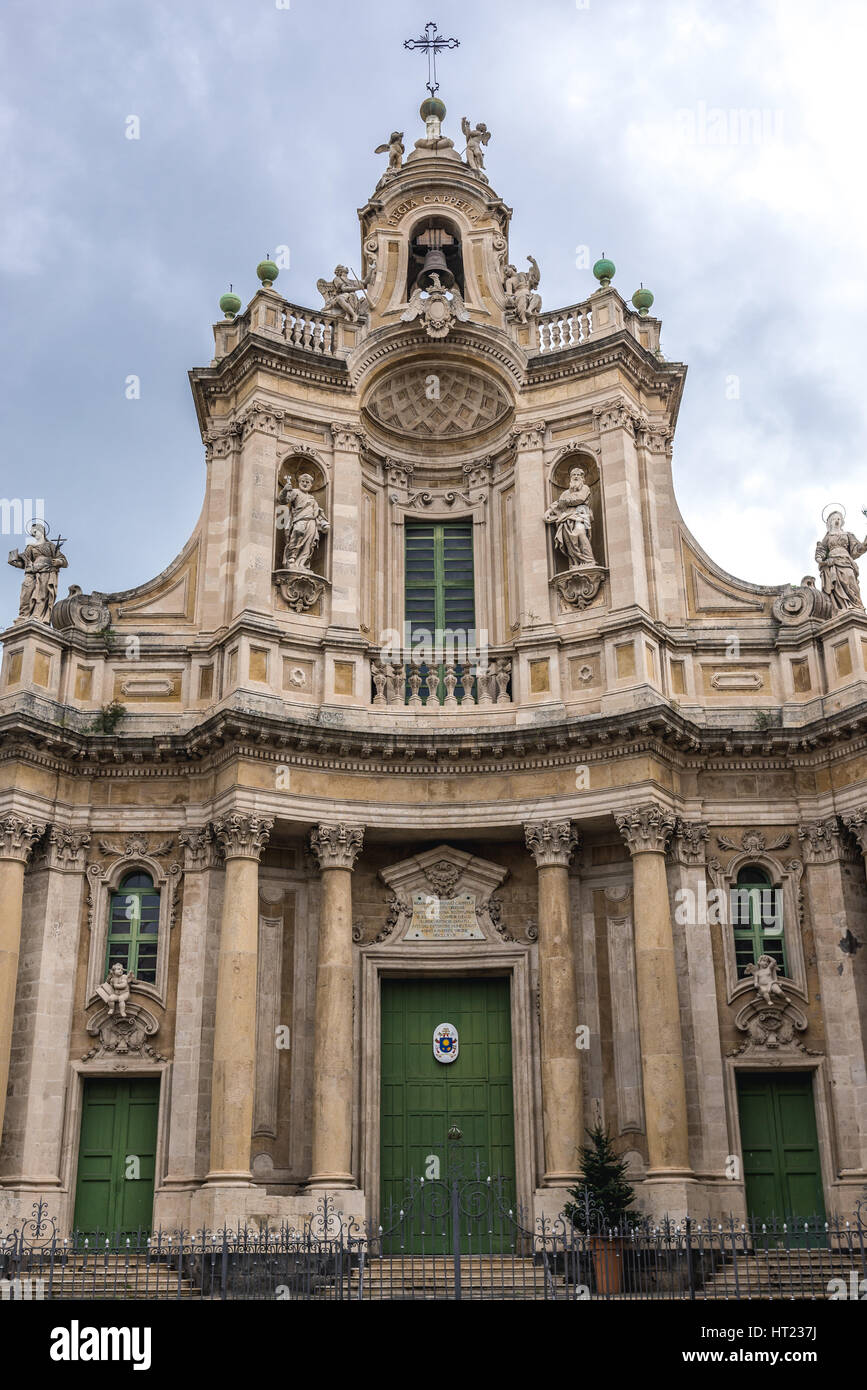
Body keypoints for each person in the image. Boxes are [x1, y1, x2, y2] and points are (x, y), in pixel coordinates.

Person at [7, 521, 68, 622]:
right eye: (32, 533)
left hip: (46, 571)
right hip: (32, 572)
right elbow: (25, 563)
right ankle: (23, 615)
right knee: (25, 593)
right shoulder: (30, 547)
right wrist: (14, 562)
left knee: (42, 594)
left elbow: (63, 560)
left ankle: (37, 615)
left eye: (35, 532)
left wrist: (58, 561)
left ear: (41, 531)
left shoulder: (50, 546)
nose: (34, 535)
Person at [814, 508, 867, 611]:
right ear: (830, 522)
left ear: (842, 521)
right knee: (836, 585)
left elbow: (857, 549)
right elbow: (821, 551)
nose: (837, 520)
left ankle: (856, 607)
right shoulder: (828, 537)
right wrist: (821, 560)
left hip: (847, 561)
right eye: (834, 519)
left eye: (839, 518)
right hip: (833, 563)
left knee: (851, 581)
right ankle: (842, 607)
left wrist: (865, 543)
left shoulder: (848, 535)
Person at [544, 466, 595, 567]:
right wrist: (549, 511)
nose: (576, 477)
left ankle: (589, 560)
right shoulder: (565, 493)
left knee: (580, 535)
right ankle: (575, 562)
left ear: (582, 478)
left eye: (578, 475)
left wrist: (565, 502)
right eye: (573, 475)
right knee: (569, 541)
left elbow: (580, 499)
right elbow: (558, 503)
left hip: (580, 515)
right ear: (571, 478)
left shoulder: (585, 488)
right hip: (566, 518)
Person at [277, 474, 329, 570]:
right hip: (299, 520)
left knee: (309, 543)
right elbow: (283, 500)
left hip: (311, 522)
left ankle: (302, 563)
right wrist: (285, 490)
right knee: (297, 533)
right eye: (303, 482)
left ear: (311, 485)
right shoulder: (295, 492)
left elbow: (317, 512)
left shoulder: (312, 499)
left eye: (307, 482)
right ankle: (292, 558)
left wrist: (323, 523)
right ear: (299, 483)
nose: (305, 484)